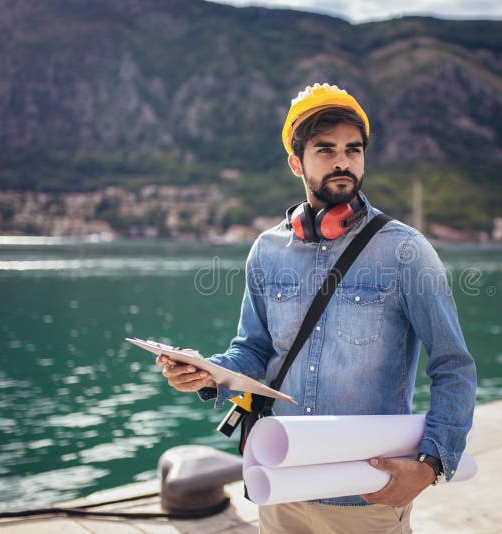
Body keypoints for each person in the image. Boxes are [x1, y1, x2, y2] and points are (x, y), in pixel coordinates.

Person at [157, 83, 477, 533]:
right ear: (296, 162)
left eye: (353, 149)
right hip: (280, 485)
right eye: (325, 149)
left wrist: (429, 466)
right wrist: (208, 373)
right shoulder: (266, 252)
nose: (342, 160)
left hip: (368, 495)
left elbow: (453, 365)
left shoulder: (405, 251)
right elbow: (253, 349)